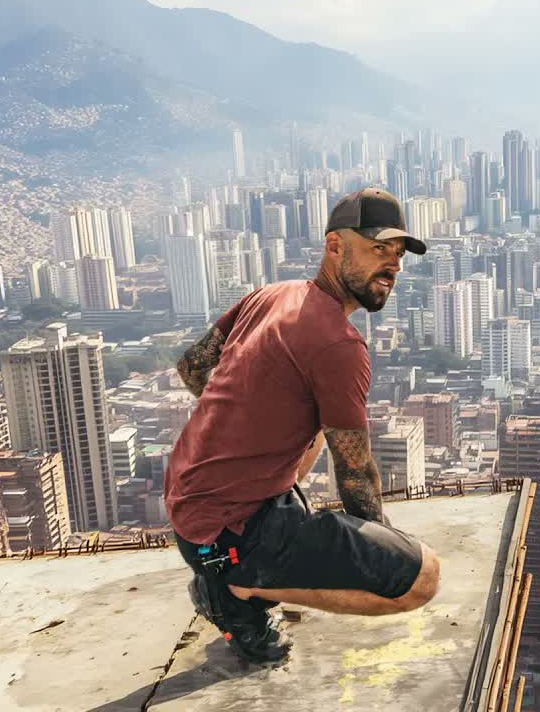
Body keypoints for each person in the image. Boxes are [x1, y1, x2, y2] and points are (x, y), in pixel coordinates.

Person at [164, 188, 439, 663]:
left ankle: (247, 570)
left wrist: (243, 423)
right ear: (335, 246)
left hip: (188, 503)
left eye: (397, 255)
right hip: (230, 534)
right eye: (378, 249)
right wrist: (380, 547)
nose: (392, 265)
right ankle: (240, 589)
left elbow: (192, 369)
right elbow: (354, 474)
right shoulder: (337, 345)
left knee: (309, 423)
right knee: (422, 579)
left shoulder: (272, 296)